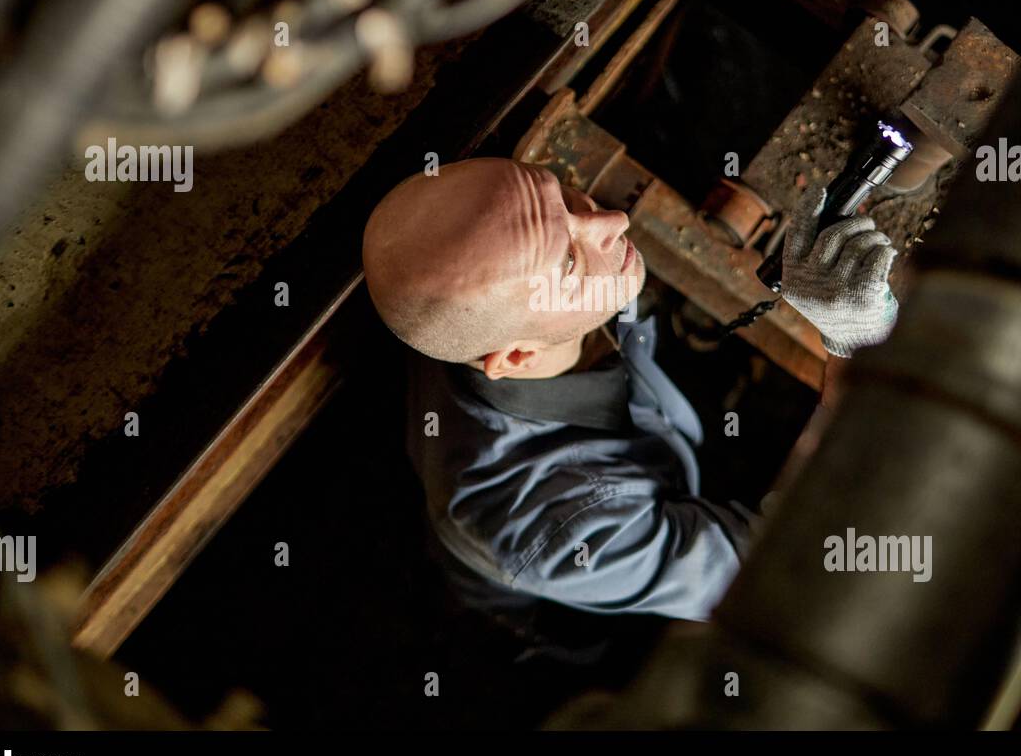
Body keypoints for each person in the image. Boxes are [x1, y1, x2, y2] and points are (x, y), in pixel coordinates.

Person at [361, 157, 897, 626]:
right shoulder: (559, 531)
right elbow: (807, 576)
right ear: (518, 357)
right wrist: (862, 347)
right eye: (568, 261)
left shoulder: (496, 296)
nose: (611, 222)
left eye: (565, 198)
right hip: (553, 611)